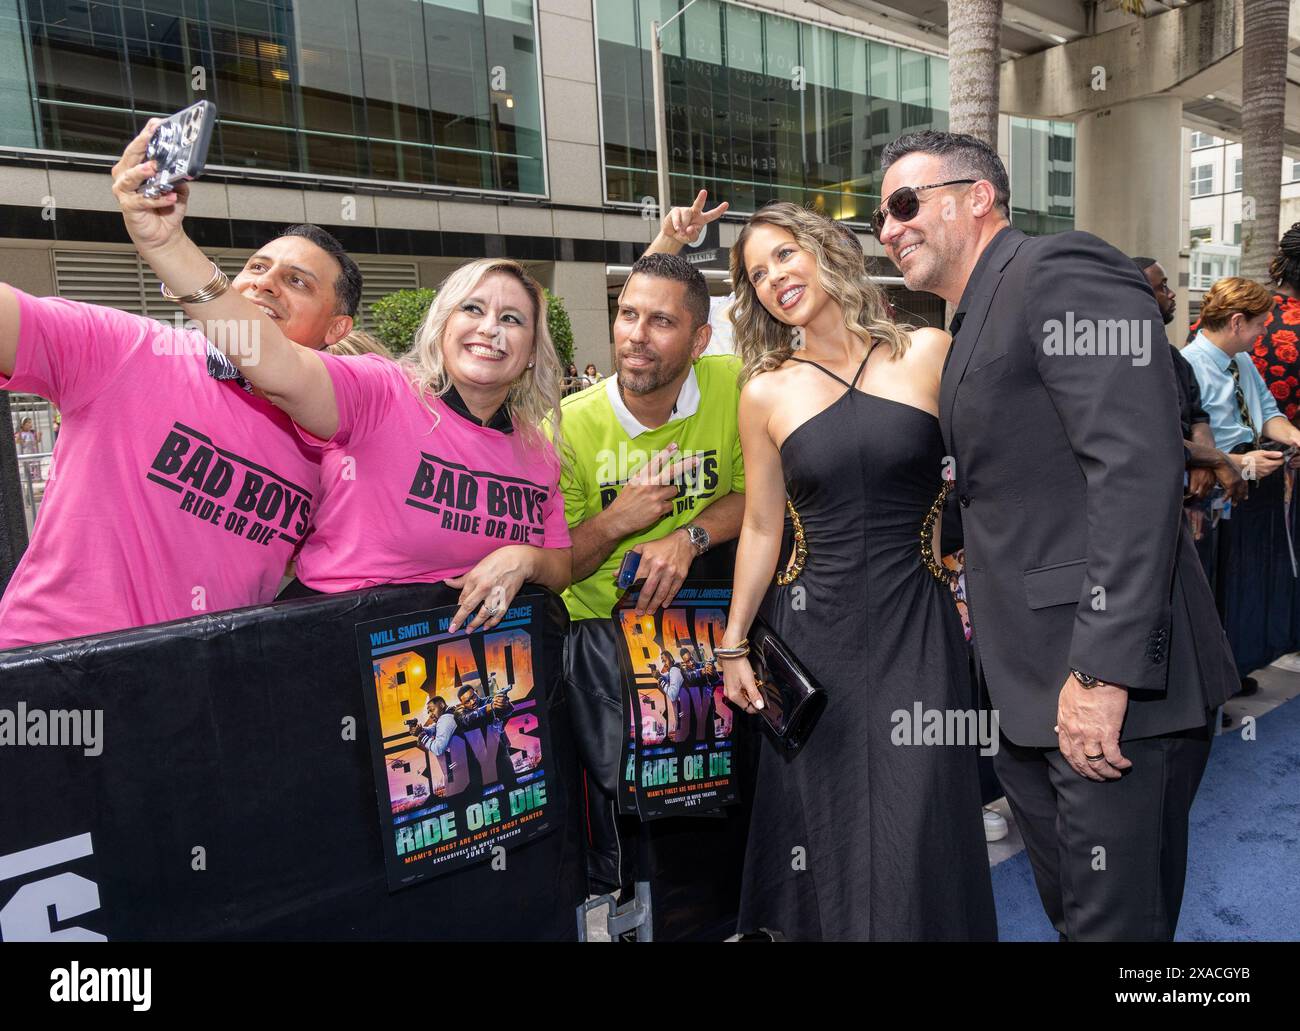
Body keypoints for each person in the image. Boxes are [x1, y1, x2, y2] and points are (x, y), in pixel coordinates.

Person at [877, 128, 1237, 941]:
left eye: (906, 203)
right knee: (1080, 923)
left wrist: (1104, 671)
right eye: (879, 218)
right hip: (1031, 694)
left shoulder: (1056, 270)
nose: (891, 227)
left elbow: (1137, 469)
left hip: (1110, 689)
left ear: (979, 197)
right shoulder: (972, 321)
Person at [112, 119, 571, 635]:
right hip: (336, 648)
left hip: (453, 675)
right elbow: (274, 364)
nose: (491, 328)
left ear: (532, 352)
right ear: (443, 328)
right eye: (473, 309)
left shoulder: (538, 450)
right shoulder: (380, 391)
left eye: (512, 319)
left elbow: (560, 564)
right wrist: (167, 247)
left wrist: (523, 558)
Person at [716, 200, 996, 942]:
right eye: (757, 273)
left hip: (919, 626)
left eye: (784, 255)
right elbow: (760, 525)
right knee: (827, 826)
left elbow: (982, 476)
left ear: (826, 250)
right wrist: (734, 643)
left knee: (920, 813)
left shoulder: (929, 350)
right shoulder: (765, 390)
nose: (774, 278)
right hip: (812, 634)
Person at [0, 132, 360, 649]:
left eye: (298, 282)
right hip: (54, 674)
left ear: (336, 330)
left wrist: (522, 557)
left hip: (207, 691)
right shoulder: (126, 349)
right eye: (256, 267)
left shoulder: (333, 439)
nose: (263, 283)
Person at [559, 247, 746, 894]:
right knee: (633, 843)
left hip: (714, 638)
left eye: (660, 322)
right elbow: (555, 568)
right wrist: (620, 519)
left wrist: (688, 537)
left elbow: (758, 492)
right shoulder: (569, 424)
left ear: (699, 340)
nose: (635, 335)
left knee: (715, 838)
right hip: (606, 653)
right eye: (627, 314)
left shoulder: (734, 383)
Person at [1130, 257, 1245, 537]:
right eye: (1162, 287)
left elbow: (1198, 417)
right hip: (1142, 505)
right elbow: (1144, 434)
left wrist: (1201, 461)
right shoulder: (1121, 356)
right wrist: (1215, 458)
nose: (1170, 294)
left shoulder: (1174, 356)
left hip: (1187, 498)